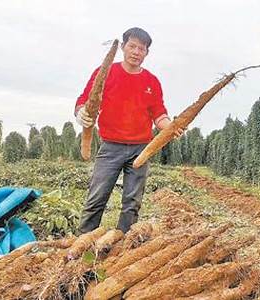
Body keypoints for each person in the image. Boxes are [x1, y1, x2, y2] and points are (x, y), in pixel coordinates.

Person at [75, 27, 183, 234]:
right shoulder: (105, 72)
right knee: (96, 198)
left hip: (140, 150)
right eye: (132, 46)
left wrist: (171, 127)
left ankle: (123, 243)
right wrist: (81, 112)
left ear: (146, 53)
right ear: (123, 47)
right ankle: (83, 242)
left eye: (141, 49)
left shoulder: (152, 81)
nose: (136, 52)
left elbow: (159, 114)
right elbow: (84, 99)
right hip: (110, 147)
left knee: (132, 203)